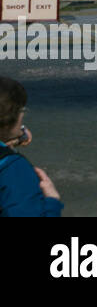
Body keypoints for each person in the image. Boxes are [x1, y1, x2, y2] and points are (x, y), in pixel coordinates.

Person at [0, 77, 62, 216]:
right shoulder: (13, 169)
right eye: (21, 110)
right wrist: (52, 201)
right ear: (9, 119)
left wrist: (13, 138)